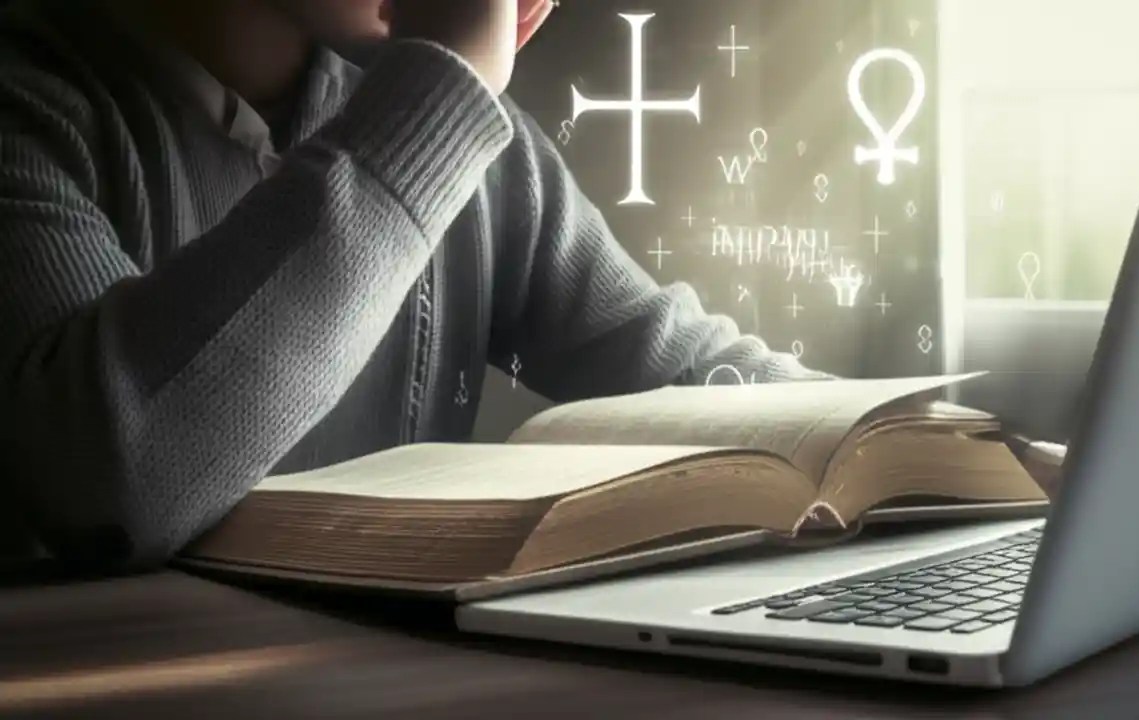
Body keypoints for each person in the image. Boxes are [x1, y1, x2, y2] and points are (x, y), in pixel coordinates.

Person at [0, 0, 825, 574]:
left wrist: (910, 438)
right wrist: (444, 88)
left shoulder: (478, 157)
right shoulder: (33, 103)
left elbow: (684, 373)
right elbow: (112, 484)